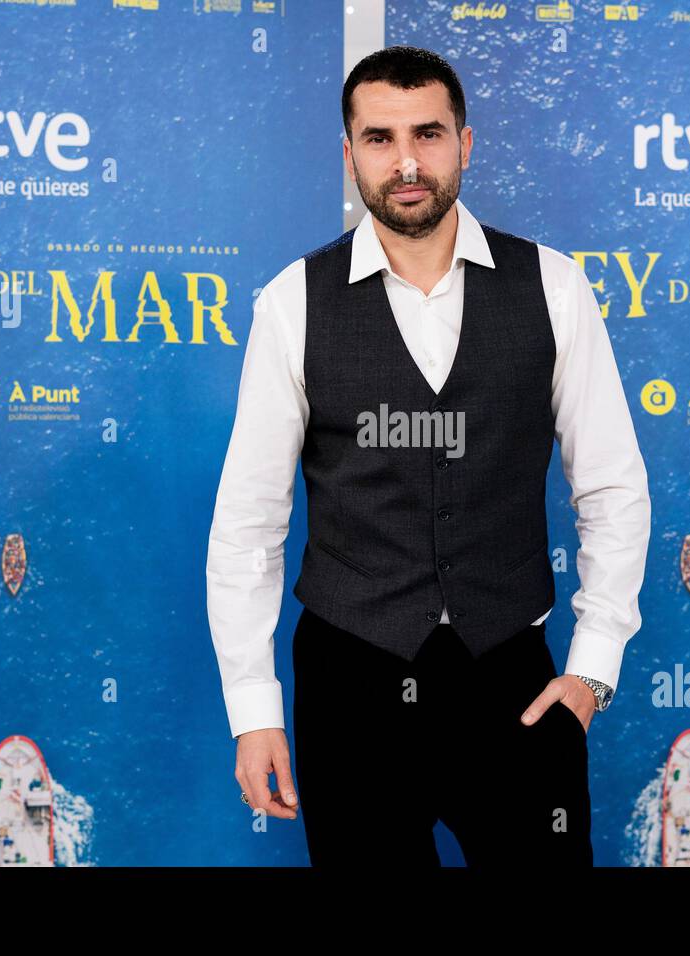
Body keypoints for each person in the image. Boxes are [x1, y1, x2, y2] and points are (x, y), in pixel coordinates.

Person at [206, 45, 651, 866]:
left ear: (466, 143)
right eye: (379, 138)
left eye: (428, 134)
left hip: (512, 679)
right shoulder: (292, 303)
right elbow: (247, 524)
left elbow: (615, 487)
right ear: (349, 155)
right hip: (352, 685)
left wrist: (590, 673)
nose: (406, 161)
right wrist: (253, 707)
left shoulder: (553, 287)